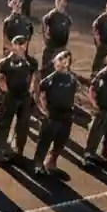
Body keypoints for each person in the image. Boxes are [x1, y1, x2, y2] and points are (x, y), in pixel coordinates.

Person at [0, 35, 39, 165]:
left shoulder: (31, 62)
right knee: (4, 124)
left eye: (23, 44)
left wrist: (33, 92)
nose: (20, 47)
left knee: (23, 125)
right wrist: (4, 89)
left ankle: (18, 150)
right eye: (17, 44)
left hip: (25, 97)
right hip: (10, 97)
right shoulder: (4, 63)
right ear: (13, 46)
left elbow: (35, 76)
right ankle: (0, 151)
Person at [33, 50, 79, 179]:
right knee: (45, 140)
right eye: (60, 61)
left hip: (66, 115)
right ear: (55, 62)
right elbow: (39, 95)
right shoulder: (49, 80)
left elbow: (75, 94)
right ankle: (38, 163)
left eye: (65, 61)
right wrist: (45, 110)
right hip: (52, 115)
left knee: (60, 141)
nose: (62, 64)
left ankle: (51, 162)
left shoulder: (72, 78)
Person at [39, 0, 72, 76]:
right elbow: (44, 23)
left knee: (61, 65)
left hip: (61, 46)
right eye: (59, 1)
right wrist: (45, 37)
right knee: (47, 65)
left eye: (63, 2)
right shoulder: (52, 15)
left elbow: (68, 29)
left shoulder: (66, 17)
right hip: (51, 45)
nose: (61, 4)